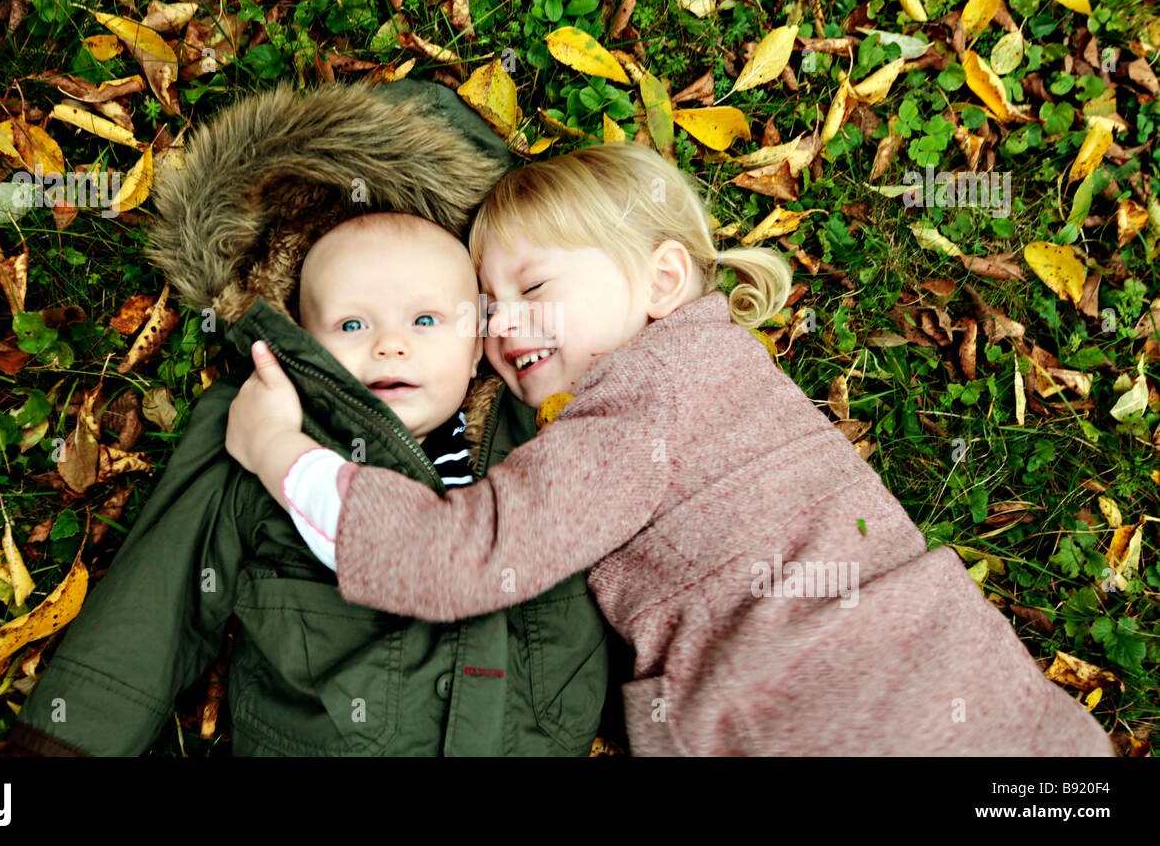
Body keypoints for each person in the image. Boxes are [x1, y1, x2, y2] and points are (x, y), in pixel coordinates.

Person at [226, 139, 1116, 757]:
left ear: (660, 279)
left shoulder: (632, 416)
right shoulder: (724, 374)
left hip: (849, 704)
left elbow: (461, 556)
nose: (503, 326)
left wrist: (280, 453)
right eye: (489, 309)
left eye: (533, 286)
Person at [7, 79, 619, 756]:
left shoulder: (548, 424)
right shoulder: (263, 421)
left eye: (424, 319)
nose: (391, 343)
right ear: (304, 335)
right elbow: (164, 586)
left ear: (480, 339)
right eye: (353, 322)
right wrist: (65, 741)